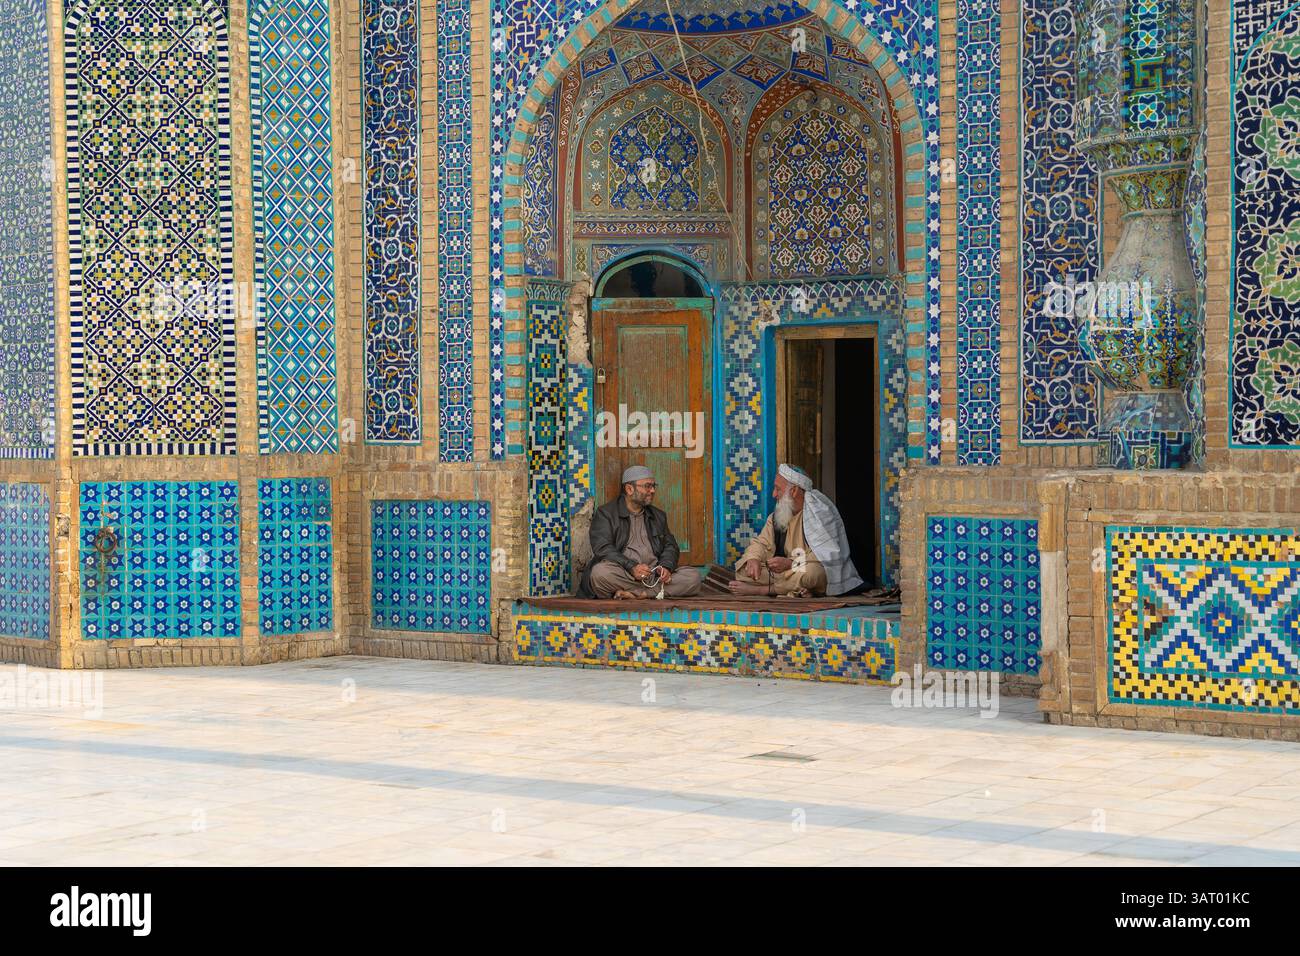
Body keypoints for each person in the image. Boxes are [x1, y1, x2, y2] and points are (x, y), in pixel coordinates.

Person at [728, 463, 863, 597]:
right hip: (787, 574)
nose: (774, 494)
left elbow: (827, 554)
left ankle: (763, 590)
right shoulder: (777, 517)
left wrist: (791, 563)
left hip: (807, 569)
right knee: (743, 572)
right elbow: (761, 543)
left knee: (813, 574)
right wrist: (753, 559)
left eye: (778, 489)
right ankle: (799, 589)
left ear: (793, 491)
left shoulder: (819, 514)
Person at [580, 465, 702, 599]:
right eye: (647, 486)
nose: (653, 490)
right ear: (629, 489)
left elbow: (670, 546)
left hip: (653, 575)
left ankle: (639, 594)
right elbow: (602, 548)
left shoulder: (658, 516)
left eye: (654, 486)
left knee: (693, 577)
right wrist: (632, 567)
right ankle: (651, 592)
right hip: (625, 574)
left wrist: (666, 567)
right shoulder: (606, 513)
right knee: (600, 573)